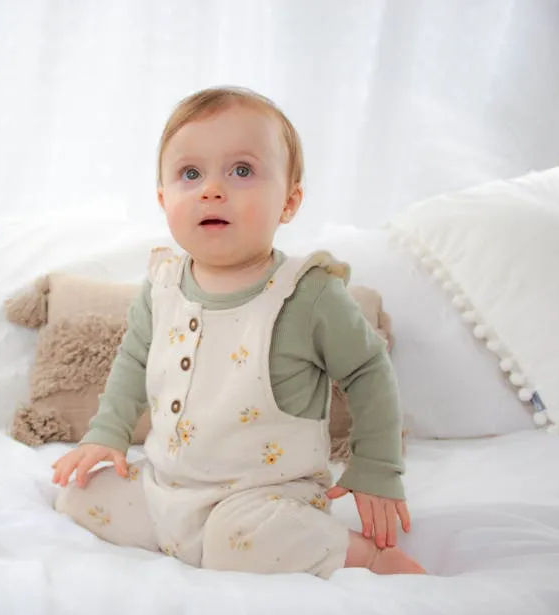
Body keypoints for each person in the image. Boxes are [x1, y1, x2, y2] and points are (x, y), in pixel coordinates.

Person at [51, 86, 425, 577]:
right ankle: (186, 540)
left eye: (242, 171)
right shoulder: (163, 284)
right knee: (77, 496)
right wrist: (107, 435)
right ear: (164, 199)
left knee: (241, 540)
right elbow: (133, 361)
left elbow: (369, 370)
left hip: (265, 496)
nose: (211, 189)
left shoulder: (305, 293)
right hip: (167, 487)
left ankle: (366, 555)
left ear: (289, 202)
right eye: (190, 174)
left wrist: (377, 467)